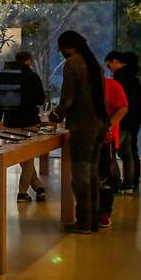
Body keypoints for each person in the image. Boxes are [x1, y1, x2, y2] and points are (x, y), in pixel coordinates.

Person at [48, 31, 108, 234]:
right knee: (92, 172)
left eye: (61, 49)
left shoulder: (73, 63)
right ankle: (93, 220)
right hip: (99, 124)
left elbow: (68, 98)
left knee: (81, 175)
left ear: (67, 47)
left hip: (83, 126)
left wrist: (55, 115)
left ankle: (83, 221)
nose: (61, 53)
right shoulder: (94, 63)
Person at [0, 50, 48, 202]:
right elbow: (40, 100)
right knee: (28, 157)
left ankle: (38, 186)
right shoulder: (32, 76)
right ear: (29, 61)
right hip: (29, 120)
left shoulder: (4, 75)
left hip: (10, 121)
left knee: (23, 157)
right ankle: (22, 193)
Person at [106, 51, 141, 195]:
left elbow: (118, 103)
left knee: (111, 153)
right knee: (130, 154)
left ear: (115, 61)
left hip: (119, 122)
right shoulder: (134, 78)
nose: (109, 69)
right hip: (133, 122)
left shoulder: (119, 79)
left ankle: (115, 182)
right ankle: (130, 183)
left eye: (109, 65)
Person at [97, 66, 130, 229]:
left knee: (105, 178)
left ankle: (104, 212)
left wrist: (107, 125)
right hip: (88, 139)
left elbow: (123, 108)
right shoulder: (85, 87)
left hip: (105, 140)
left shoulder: (112, 86)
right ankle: (90, 211)